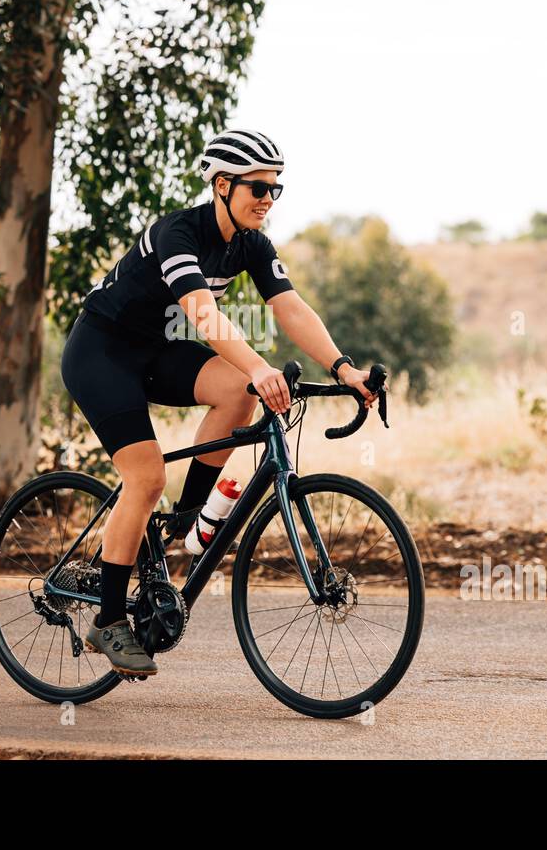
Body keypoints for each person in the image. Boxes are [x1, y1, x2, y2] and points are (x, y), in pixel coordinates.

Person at [60, 129, 378, 677]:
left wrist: (344, 368)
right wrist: (260, 366)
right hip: (100, 353)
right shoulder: (177, 233)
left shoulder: (251, 243)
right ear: (222, 184)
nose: (267, 200)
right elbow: (203, 314)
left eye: (276, 190)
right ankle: (108, 620)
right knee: (145, 477)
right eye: (257, 188)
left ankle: (185, 522)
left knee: (237, 392)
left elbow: (290, 308)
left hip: (155, 351)